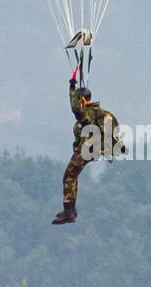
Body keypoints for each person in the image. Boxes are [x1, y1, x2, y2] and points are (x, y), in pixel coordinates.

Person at [51, 75, 123, 224]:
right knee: (73, 175)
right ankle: (71, 209)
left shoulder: (88, 114)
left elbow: (76, 109)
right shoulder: (98, 113)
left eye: (79, 99)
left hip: (88, 149)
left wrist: (71, 88)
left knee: (69, 176)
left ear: (83, 100)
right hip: (92, 149)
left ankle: (69, 211)